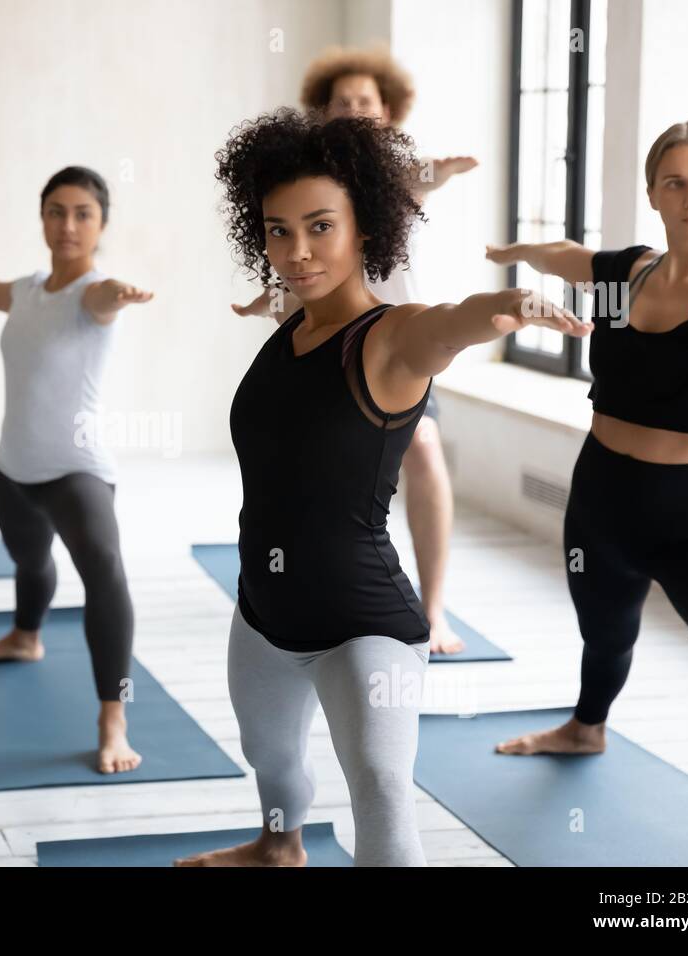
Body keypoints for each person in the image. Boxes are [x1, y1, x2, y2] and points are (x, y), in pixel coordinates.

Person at [180, 109, 586, 866]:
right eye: (277, 230)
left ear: (365, 226)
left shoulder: (390, 337)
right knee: (271, 765)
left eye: (319, 227)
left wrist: (498, 310)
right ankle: (279, 848)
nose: (297, 252)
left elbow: (446, 324)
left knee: (381, 789)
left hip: (363, 625)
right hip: (262, 613)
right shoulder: (292, 327)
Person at [491, 119, 688, 868]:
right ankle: (588, 725)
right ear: (652, 193)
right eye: (676, 181)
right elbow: (570, 258)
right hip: (603, 497)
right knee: (606, 633)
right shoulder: (627, 276)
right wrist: (516, 254)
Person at [234, 44, 476, 653]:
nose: (352, 109)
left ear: (387, 110)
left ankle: (435, 605)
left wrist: (438, 175)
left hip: (397, 350)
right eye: (341, 102)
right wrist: (271, 303)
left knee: (422, 445)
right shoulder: (307, 186)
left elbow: (414, 185)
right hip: (330, 348)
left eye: (364, 101)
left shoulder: (386, 187)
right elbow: (294, 268)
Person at [0, 167, 153, 774]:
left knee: (105, 574)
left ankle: (112, 719)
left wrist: (122, 294)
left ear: (101, 224)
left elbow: (103, 295)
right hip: (11, 467)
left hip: (75, 470)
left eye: (83, 214)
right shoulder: (31, 288)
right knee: (30, 562)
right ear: (42, 218)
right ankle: (24, 637)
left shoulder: (93, 294)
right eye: (57, 211)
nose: (68, 224)